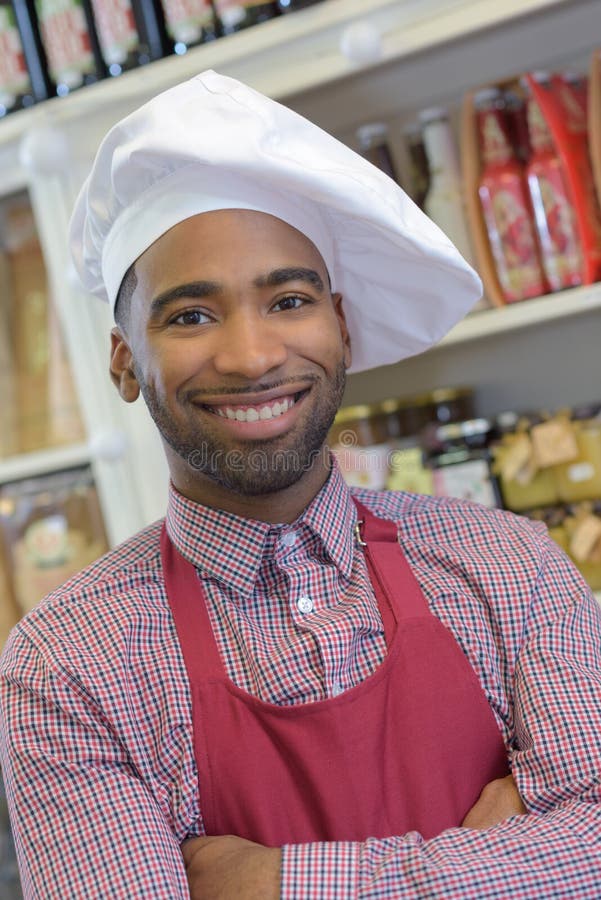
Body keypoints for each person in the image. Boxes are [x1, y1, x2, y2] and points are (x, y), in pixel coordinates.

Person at [1, 69, 600, 900]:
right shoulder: (68, 664)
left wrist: (276, 881)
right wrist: (502, 868)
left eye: (287, 299)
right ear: (124, 359)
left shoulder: (506, 562)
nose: (251, 356)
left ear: (340, 327)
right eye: (190, 315)